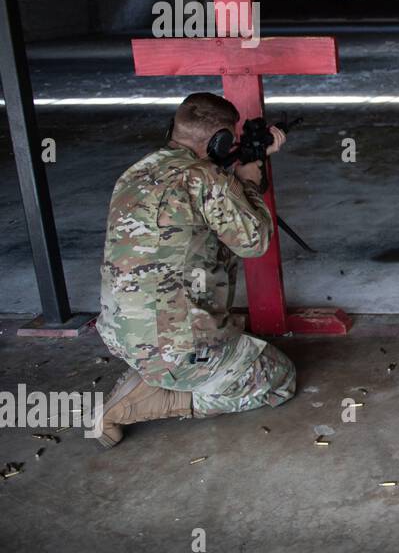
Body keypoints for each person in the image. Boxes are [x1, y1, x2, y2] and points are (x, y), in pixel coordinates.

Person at [92, 92, 295, 446]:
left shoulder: (136, 172)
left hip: (119, 334)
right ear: (221, 140)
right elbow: (254, 241)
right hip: (176, 347)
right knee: (279, 378)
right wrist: (248, 179)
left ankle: (156, 370)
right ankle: (155, 399)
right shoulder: (205, 179)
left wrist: (231, 174)